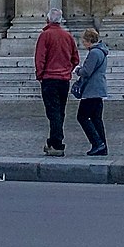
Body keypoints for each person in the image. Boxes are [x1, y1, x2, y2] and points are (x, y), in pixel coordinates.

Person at [33, 12, 78, 156]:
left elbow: (40, 57)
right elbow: (75, 59)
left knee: (53, 112)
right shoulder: (68, 36)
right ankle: (53, 141)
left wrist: (40, 75)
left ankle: (57, 144)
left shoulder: (45, 36)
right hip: (64, 80)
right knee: (60, 111)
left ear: (48, 20)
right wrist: (67, 71)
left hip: (50, 78)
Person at [70, 25, 110, 156]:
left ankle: (97, 143)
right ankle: (102, 145)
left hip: (91, 90)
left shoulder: (94, 53)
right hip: (98, 89)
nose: (83, 43)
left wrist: (77, 70)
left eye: (84, 41)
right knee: (96, 119)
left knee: (82, 116)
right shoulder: (101, 52)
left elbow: (87, 72)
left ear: (89, 40)